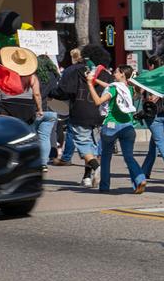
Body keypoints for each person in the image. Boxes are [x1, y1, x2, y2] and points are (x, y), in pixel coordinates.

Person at [85, 64, 145, 193]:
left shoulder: (114, 88)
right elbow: (111, 86)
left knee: (106, 156)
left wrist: (90, 85)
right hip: (128, 126)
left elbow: (98, 101)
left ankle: (105, 186)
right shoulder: (129, 89)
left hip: (111, 126)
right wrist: (95, 80)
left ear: (122, 74)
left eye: (116, 72)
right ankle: (140, 179)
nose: (114, 74)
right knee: (128, 156)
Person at [54, 49, 102, 183]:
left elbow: (63, 91)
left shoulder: (71, 71)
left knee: (83, 144)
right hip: (99, 113)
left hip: (80, 111)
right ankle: (87, 176)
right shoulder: (101, 71)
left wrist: (52, 94)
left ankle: (96, 168)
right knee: (93, 146)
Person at [138, 59, 164, 185]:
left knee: (160, 142)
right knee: (154, 144)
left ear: (152, 65)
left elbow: (141, 94)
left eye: (149, 65)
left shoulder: (150, 77)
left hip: (153, 115)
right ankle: (145, 171)